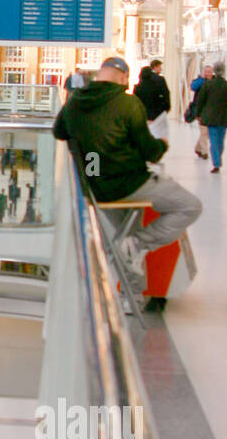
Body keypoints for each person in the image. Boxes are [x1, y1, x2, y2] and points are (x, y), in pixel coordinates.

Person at [53, 55, 201, 284]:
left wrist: (91, 144)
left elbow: (59, 132)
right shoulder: (127, 103)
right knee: (190, 206)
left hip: (94, 183)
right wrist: (162, 143)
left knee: (126, 234)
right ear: (123, 77)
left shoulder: (74, 102)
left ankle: (132, 296)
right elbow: (150, 152)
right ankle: (139, 243)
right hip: (128, 184)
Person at [195, 60, 227, 174]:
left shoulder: (208, 84)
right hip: (223, 118)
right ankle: (218, 159)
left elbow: (201, 100)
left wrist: (198, 114)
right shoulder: (225, 85)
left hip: (211, 118)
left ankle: (216, 163)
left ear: (215, 71)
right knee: (220, 141)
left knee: (213, 140)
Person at [133, 58, 171, 125]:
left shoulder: (138, 87)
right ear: (155, 67)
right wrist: (167, 107)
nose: (161, 69)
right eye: (159, 67)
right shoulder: (159, 80)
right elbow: (166, 94)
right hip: (157, 114)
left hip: (143, 115)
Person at [189, 64, 213, 158]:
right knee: (204, 131)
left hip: (211, 110)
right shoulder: (199, 81)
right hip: (201, 110)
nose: (208, 74)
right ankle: (205, 152)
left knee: (206, 132)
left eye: (210, 71)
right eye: (206, 71)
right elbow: (193, 87)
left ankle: (198, 148)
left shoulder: (215, 81)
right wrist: (202, 79)